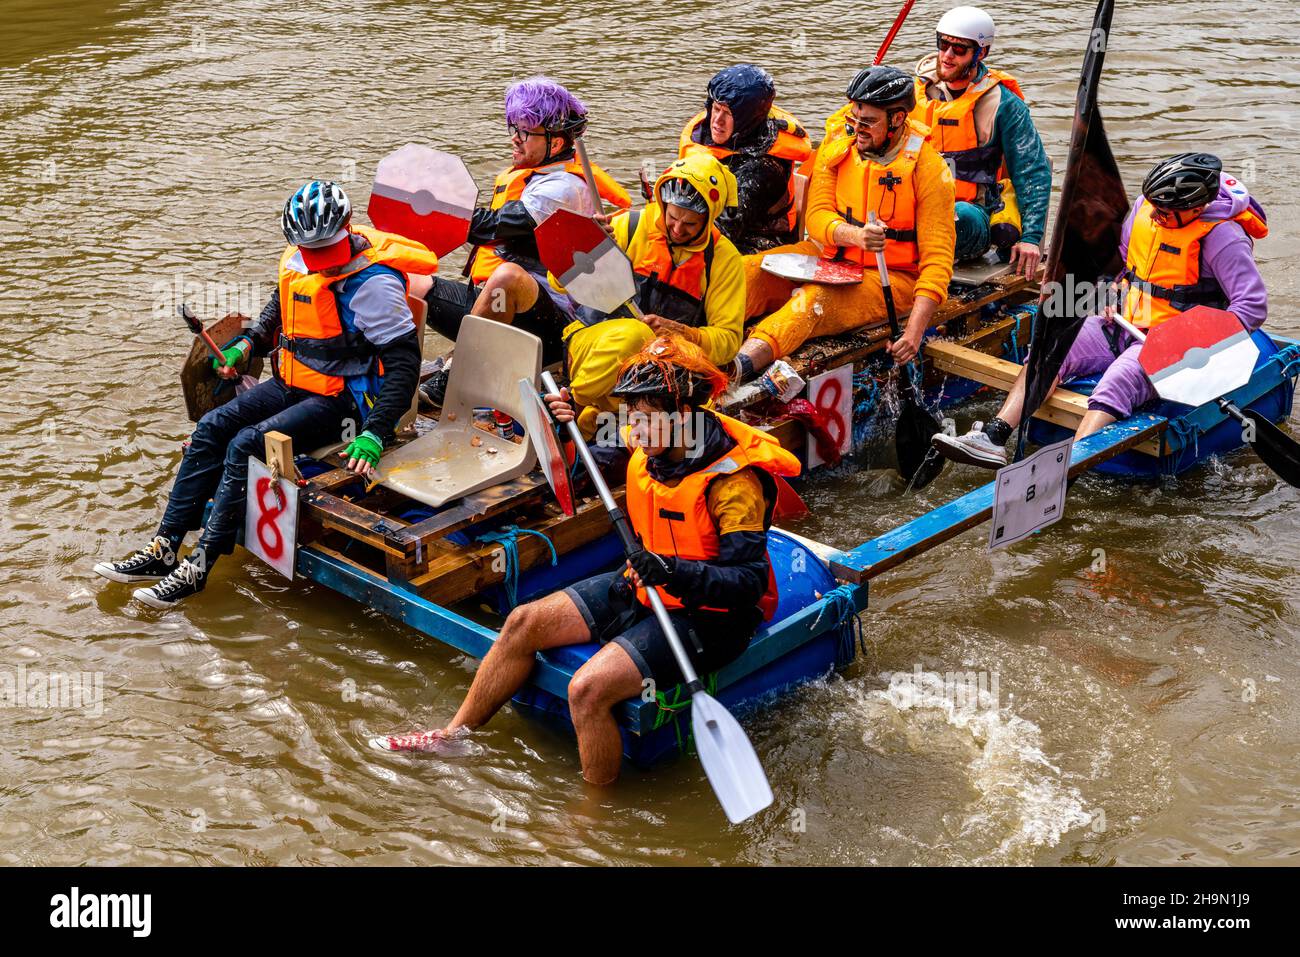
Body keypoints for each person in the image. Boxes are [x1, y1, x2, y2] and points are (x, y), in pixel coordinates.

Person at [374, 337, 801, 786]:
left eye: (646, 416)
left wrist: (674, 571)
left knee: (587, 689)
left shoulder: (734, 485)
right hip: (648, 583)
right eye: (631, 414)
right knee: (522, 622)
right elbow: (574, 474)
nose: (634, 428)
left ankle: (593, 819)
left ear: (683, 415)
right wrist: (561, 428)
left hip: (713, 617)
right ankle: (452, 735)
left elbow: (748, 583)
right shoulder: (649, 441)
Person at [93, 181, 437, 606]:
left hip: (347, 401)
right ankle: (164, 549)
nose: (317, 264)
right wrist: (249, 343)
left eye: (325, 251)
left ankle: (198, 566)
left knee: (246, 444)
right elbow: (280, 307)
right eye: (309, 252)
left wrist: (376, 432)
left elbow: (404, 367)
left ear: (346, 229)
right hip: (295, 382)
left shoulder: (374, 286)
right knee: (211, 427)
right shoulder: (299, 261)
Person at [932, 153, 1269, 468]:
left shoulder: (1224, 238)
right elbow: (1117, 262)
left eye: (1165, 212)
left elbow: (1251, 307)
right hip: (1121, 320)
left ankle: (1069, 468)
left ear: (1197, 206)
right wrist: (1107, 290)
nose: (1154, 214)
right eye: (1153, 205)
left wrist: (1188, 341)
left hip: (1172, 342)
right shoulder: (1145, 210)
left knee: (1118, 380)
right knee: (1052, 345)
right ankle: (993, 436)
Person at [731, 66, 955, 381]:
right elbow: (818, 216)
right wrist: (855, 236)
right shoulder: (840, 144)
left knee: (813, 303)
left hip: (893, 277)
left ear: (898, 119)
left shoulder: (929, 170)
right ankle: (692, 338)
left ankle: (734, 370)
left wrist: (913, 334)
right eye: (854, 118)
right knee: (747, 270)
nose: (857, 129)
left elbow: (937, 265)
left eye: (868, 122)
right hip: (831, 257)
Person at [419, 76, 630, 404]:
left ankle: (456, 380)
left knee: (507, 277)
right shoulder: (537, 178)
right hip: (510, 313)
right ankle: (397, 371)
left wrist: (434, 211)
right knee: (412, 282)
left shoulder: (563, 189)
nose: (514, 140)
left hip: (555, 330)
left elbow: (496, 226)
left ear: (556, 144)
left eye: (524, 132)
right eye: (513, 128)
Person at [561, 153, 747, 439]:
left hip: (657, 371)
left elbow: (728, 342)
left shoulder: (725, 261)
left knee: (671, 383)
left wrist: (683, 333)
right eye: (672, 217)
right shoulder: (627, 226)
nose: (677, 228)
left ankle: (599, 426)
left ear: (709, 219)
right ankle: (571, 405)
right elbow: (560, 281)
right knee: (634, 334)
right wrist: (586, 243)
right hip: (591, 352)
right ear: (663, 204)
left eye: (690, 224)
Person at [912, 6, 1050, 274]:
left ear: (981, 52)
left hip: (973, 212)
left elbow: (1032, 171)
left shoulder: (1004, 105)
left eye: (959, 49)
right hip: (916, 202)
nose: (947, 55)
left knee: (957, 216)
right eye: (943, 44)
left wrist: (1031, 238)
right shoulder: (916, 91)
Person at [678, 64, 812, 255]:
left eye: (728, 114)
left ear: (748, 120)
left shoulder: (763, 170)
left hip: (760, 250)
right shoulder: (710, 138)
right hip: (709, 228)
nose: (717, 121)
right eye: (716, 109)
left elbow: (722, 230)